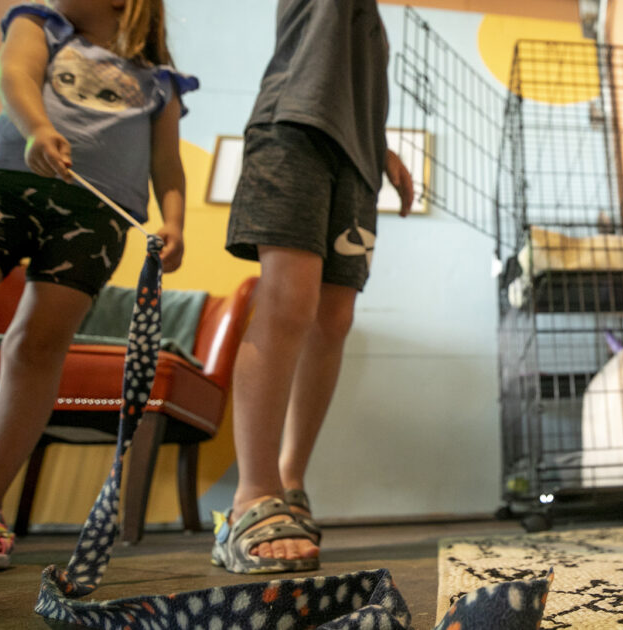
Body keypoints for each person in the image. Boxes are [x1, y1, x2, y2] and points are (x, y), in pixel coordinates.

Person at [0, 0, 194, 577]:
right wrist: (38, 128)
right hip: (4, 189)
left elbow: (168, 164)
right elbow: (14, 73)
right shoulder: (39, 24)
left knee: (38, 347)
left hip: (97, 220)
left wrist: (175, 222)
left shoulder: (162, 84)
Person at [213, 0, 413, 574]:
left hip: (358, 159)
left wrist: (379, 146)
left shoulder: (372, 23)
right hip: (293, 131)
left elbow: (348, 89)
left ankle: (288, 478)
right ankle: (252, 495)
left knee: (333, 321)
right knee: (287, 303)